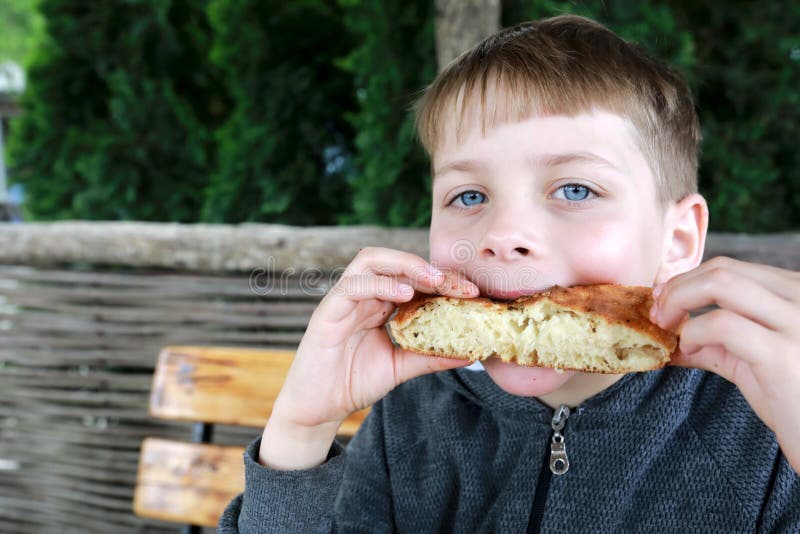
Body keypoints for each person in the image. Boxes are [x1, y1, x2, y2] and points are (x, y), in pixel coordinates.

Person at [219, 14, 800, 533]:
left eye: (575, 189)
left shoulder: (767, 427)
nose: (500, 236)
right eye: (468, 195)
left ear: (678, 241)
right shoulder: (411, 416)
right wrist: (301, 429)